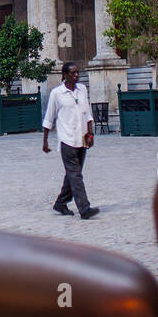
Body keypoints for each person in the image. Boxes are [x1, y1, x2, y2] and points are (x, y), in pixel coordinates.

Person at [42, 62, 98, 219]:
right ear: (64, 75)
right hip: (67, 140)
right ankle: (84, 209)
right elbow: (49, 118)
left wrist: (91, 133)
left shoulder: (82, 90)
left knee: (73, 174)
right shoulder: (57, 93)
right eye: (72, 73)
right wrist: (45, 141)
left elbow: (87, 113)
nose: (76, 75)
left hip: (82, 138)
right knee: (75, 175)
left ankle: (61, 203)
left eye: (77, 72)